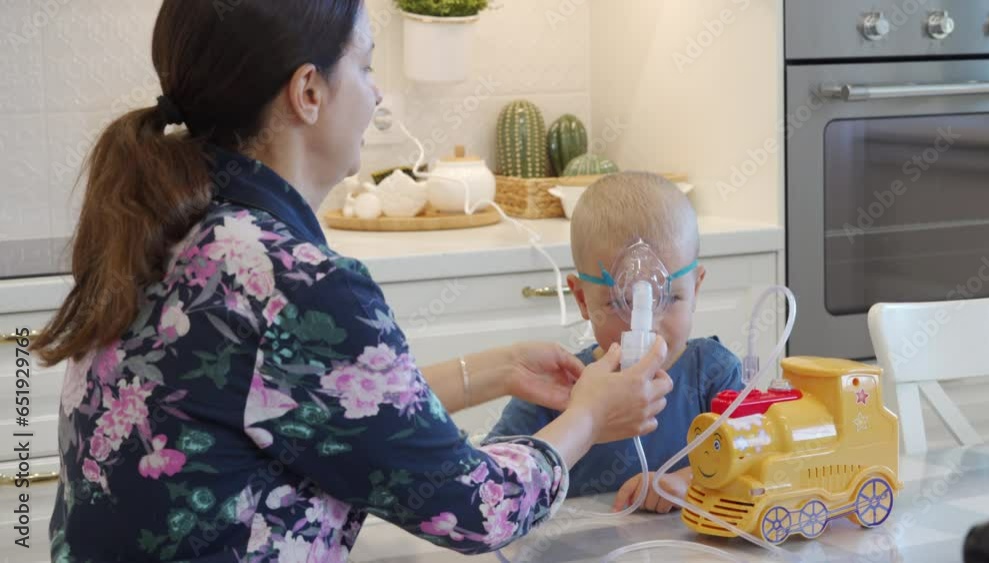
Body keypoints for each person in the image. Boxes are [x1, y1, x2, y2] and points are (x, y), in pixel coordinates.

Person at [31, 2, 674, 561]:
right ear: (308, 91)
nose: (378, 95)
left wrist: (499, 369)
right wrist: (589, 417)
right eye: (365, 67)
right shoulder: (296, 280)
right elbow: (478, 509)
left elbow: (318, 410)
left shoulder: (176, 228)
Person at [487, 172, 744, 514]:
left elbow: (757, 456)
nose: (648, 324)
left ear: (696, 288)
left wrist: (688, 481)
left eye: (671, 298)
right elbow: (488, 480)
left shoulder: (713, 375)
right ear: (582, 299)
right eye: (617, 303)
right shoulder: (557, 388)